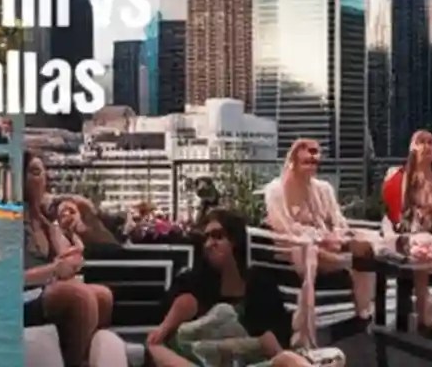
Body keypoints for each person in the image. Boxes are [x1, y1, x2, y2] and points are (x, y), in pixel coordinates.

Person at [146, 209, 311, 367]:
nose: (210, 244)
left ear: (235, 240)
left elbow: (275, 340)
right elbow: (176, 316)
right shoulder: (192, 280)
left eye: (218, 236)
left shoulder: (260, 285)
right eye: (206, 238)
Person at [263, 138, 375, 349]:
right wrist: (314, 237)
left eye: (316, 156)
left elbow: (338, 220)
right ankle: (307, 329)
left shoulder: (323, 189)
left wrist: (340, 236)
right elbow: (282, 227)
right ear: (293, 159)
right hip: (295, 246)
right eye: (307, 155)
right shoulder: (276, 190)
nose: (313, 159)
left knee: (367, 244)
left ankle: (362, 314)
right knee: (310, 250)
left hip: (329, 242)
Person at [23, 151, 114, 367]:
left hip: (42, 291)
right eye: (33, 172)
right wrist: (54, 270)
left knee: (103, 296)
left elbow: (66, 257)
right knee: (77, 296)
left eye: (42, 173)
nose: (39, 179)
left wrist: (71, 245)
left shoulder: (45, 223)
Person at [380, 129, 432, 335]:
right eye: (421, 142)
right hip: (407, 231)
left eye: (431, 143)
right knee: (421, 254)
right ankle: (425, 321)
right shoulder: (397, 176)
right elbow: (392, 213)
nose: (427, 147)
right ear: (412, 148)